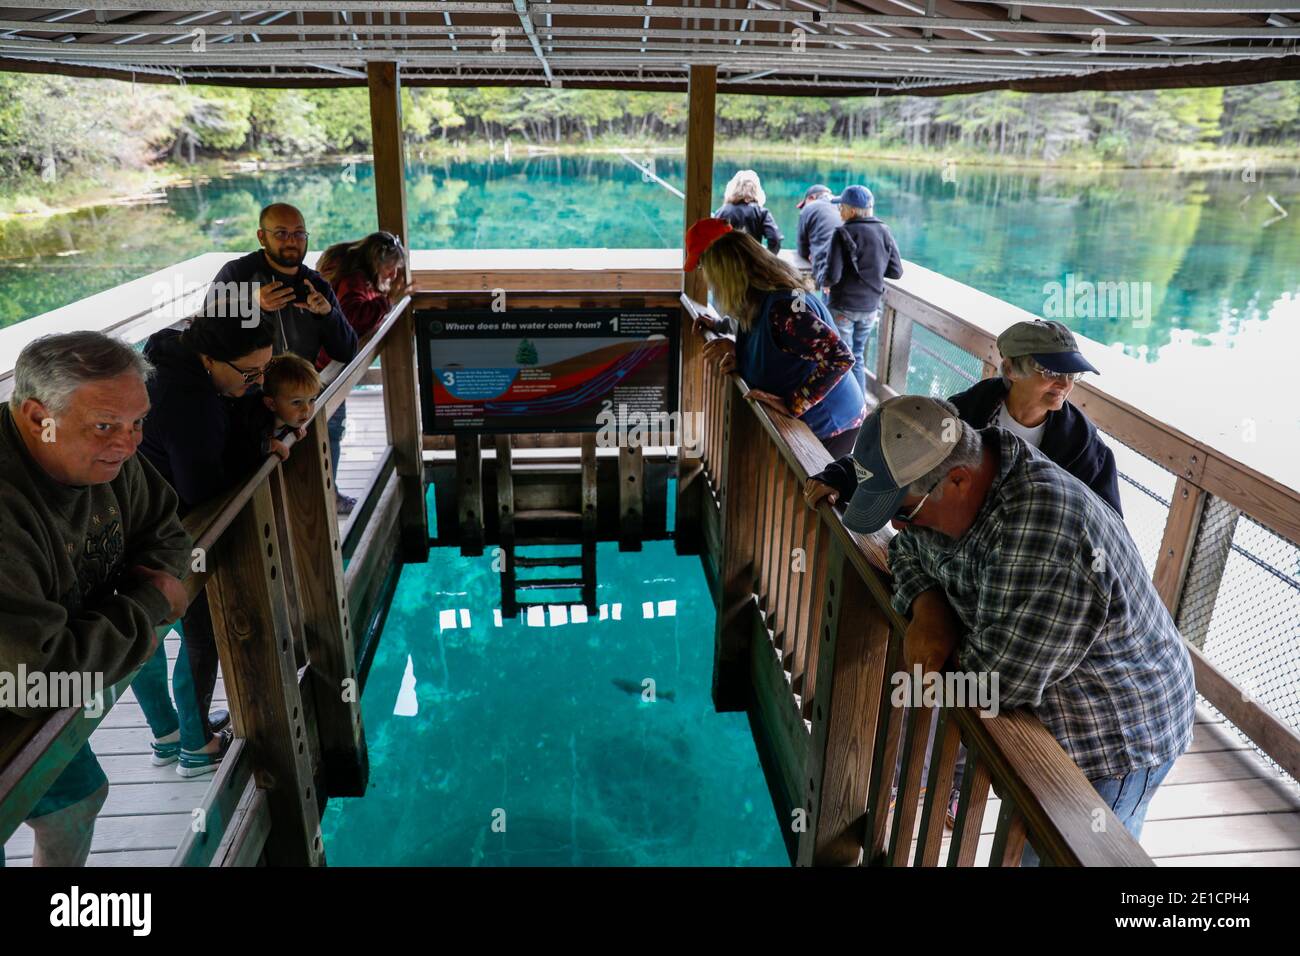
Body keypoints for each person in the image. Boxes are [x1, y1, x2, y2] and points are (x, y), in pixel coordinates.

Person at [833, 395, 1195, 862]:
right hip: (1050, 701)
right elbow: (908, 552)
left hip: (1115, 735)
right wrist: (929, 610)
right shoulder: (976, 466)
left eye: (902, 512)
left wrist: (936, 639)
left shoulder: (1046, 535)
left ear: (958, 481)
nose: (902, 526)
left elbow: (994, 682)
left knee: (1066, 856)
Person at [0, 332, 190, 865]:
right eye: (107, 426)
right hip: (22, 689)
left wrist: (123, 611)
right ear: (40, 418)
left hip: (31, 684)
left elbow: (168, 533)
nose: (129, 445)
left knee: (76, 804)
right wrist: (150, 604)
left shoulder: (106, 450)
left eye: (138, 423)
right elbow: (36, 681)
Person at [137, 312, 297, 777]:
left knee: (141, 632)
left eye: (265, 370)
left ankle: (168, 732)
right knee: (198, 635)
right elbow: (204, 488)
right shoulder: (191, 402)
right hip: (172, 532)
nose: (257, 382)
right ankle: (197, 745)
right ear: (209, 358)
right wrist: (259, 452)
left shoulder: (168, 350)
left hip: (128, 521)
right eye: (249, 373)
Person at [685, 218, 865, 458]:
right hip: (818, 419)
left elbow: (840, 357)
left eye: (703, 267)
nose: (705, 276)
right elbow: (769, 337)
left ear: (725, 271)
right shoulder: (761, 297)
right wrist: (739, 351)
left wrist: (793, 404)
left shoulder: (787, 309)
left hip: (832, 422)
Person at [315, 231, 410, 515]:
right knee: (330, 427)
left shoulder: (354, 274)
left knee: (331, 426)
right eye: (391, 267)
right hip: (326, 367)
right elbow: (352, 318)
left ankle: (327, 493)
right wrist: (387, 300)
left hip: (324, 363)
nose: (393, 274)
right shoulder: (354, 279)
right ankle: (327, 496)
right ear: (377, 260)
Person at [205, 202, 358, 368]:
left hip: (300, 386)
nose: (292, 241)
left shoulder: (316, 284)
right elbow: (205, 334)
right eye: (281, 233)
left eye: (299, 233)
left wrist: (328, 315)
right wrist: (251, 304)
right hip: (246, 388)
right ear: (262, 237)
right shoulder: (237, 273)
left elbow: (347, 352)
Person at [823, 185, 904, 395]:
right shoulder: (884, 231)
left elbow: (833, 276)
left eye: (841, 206)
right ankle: (858, 402)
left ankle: (843, 404)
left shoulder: (842, 233)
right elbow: (896, 272)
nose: (839, 211)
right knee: (856, 356)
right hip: (870, 308)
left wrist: (821, 280)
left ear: (851, 210)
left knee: (841, 357)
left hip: (843, 307)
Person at [714, 170, 783, 254]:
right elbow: (775, 239)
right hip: (752, 263)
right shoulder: (761, 212)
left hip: (726, 264)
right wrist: (766, 260)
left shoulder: (721, 212)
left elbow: (712, 240)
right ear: (756, 190)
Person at [795, 184, 840, 297]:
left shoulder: (809, 208)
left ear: (811, 198)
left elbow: (802, 248)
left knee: (830, 308)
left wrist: (810, 254)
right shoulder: (844, 206)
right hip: (852, 271)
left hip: (828, 272)